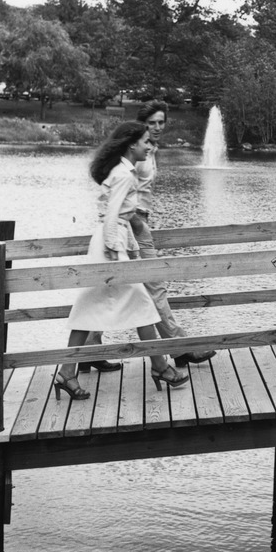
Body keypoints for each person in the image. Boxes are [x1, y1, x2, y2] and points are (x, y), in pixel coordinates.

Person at [54, 121, 189, 400]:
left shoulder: (120, 171)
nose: (150, 147)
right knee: (140, 302)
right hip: (109, 247)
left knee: (91, 306)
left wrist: (125, 248)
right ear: (132, 144)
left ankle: (68, 373)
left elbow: (116, 218)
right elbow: (114, 215)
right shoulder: (125, 175)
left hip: (110, 243)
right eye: (146, 142)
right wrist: (116, 254)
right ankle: (161, 366)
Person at [131, 100, 216, 367]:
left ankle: (88, 351)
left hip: (137, 223)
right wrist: (137, 223)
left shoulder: (148, 149)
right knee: (155, 287)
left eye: (161, 122)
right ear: (142, 123)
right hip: (134, 225)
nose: (157, 127)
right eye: (152, 123)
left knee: (108, 288)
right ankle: (180, 348)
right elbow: (120, 188)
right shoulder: (133, 150)